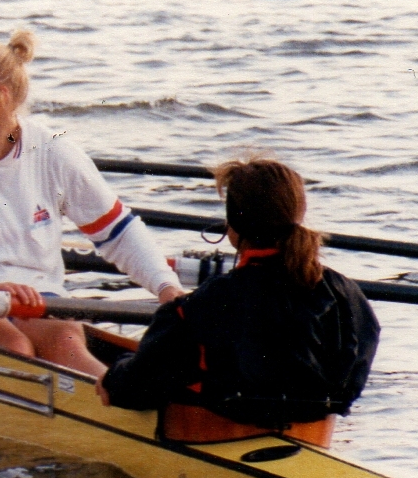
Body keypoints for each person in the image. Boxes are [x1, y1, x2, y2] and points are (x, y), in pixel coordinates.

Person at [0, 30, 182, 376]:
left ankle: (119, 394)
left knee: (66, 341)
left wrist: (165, 286)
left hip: (34, 296)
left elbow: (119, 233)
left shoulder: (53, 150)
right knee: (14, 348)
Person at [98, 158, 381, 445]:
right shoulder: (347, 294)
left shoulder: (202, 305)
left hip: (215, 436)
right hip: (312, 434)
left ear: (233, 226)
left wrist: (112, 379)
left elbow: (131, 390)